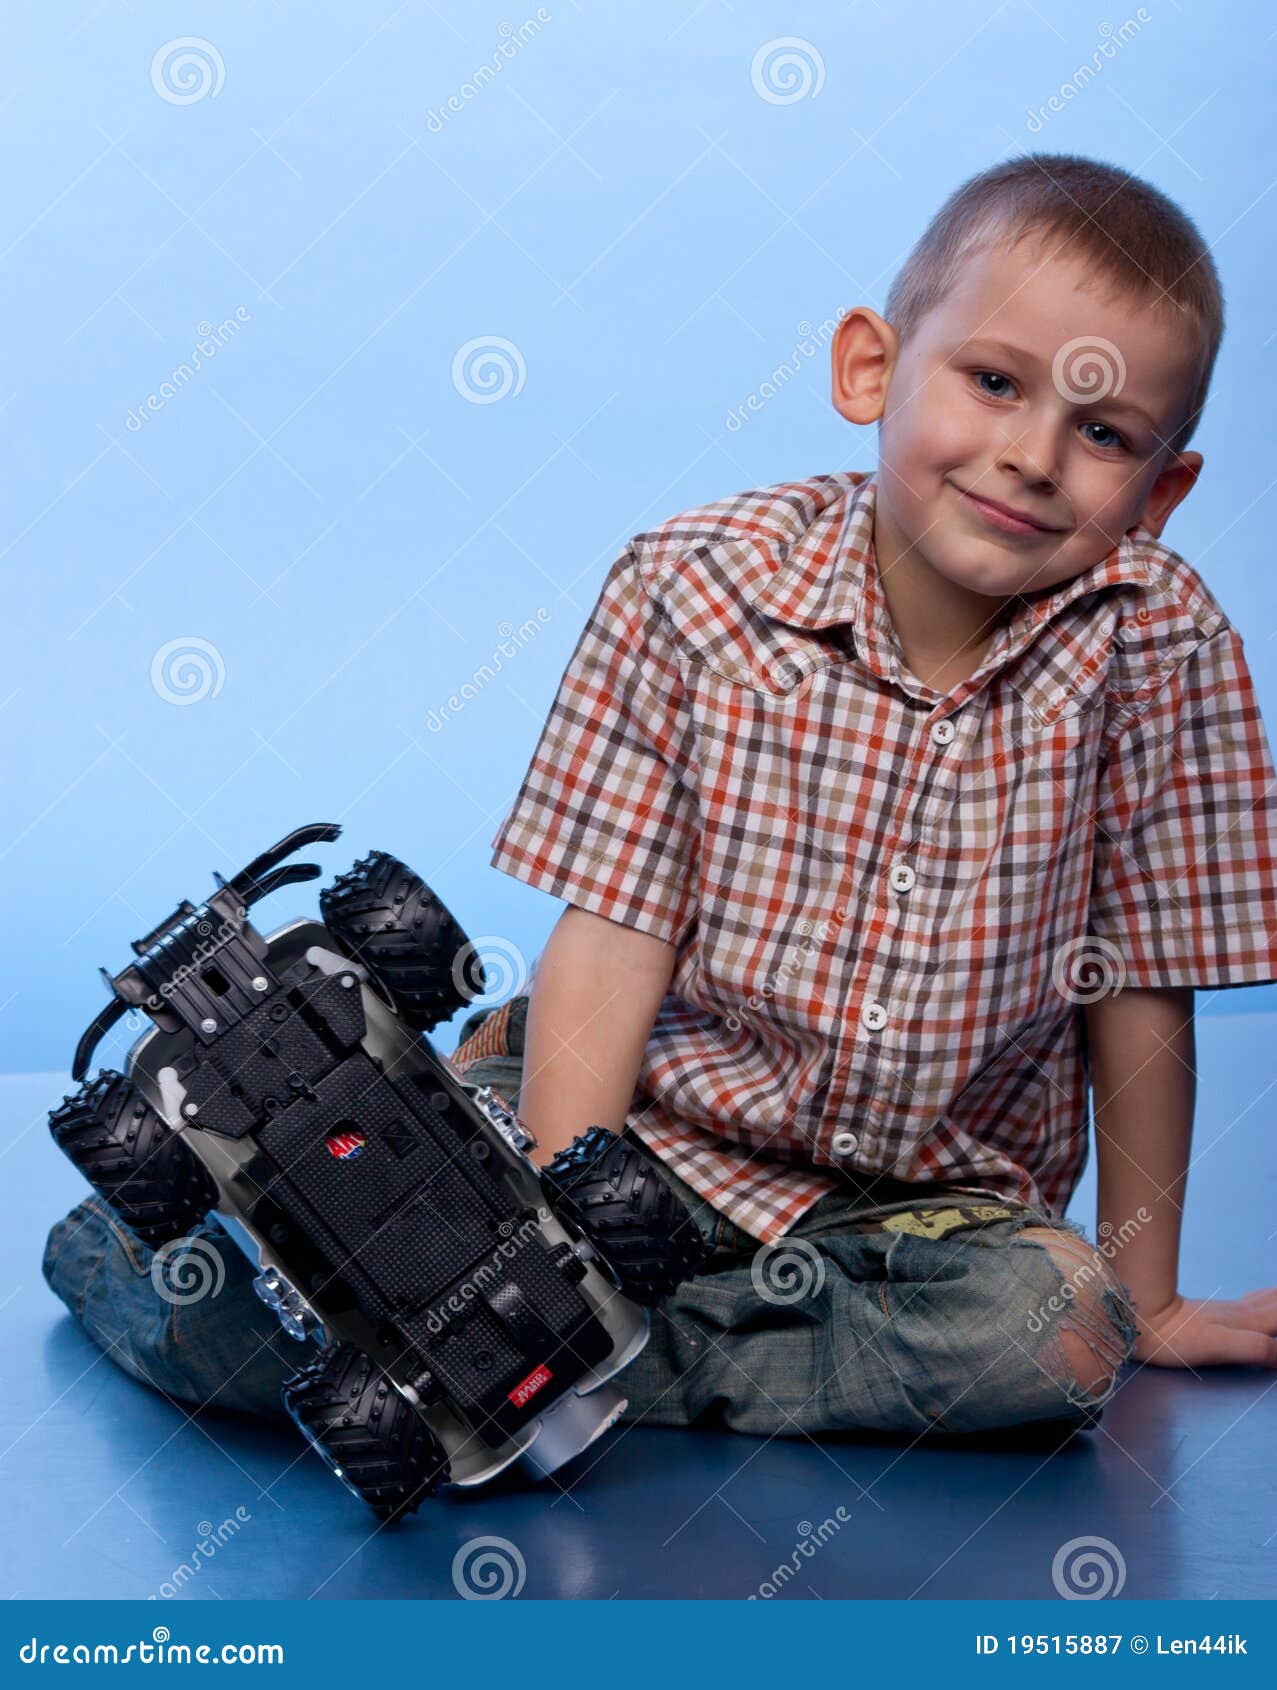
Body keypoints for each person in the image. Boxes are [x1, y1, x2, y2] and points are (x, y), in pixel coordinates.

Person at [44, 151, 1277, 1448]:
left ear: (1160, 493)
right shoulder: (692, 590)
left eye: (1101, 434)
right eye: (991, 382)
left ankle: (530, 1372)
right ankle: (348, 1295)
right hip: (645, 1127)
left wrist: (1147, 1294)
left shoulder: (1163, 644)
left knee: (1063, 1340)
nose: (1031, 455)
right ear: (872, 366)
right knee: (291, 1292)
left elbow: (1139, 981)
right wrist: (560, 1232)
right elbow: (614, 930)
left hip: (916, 1214)